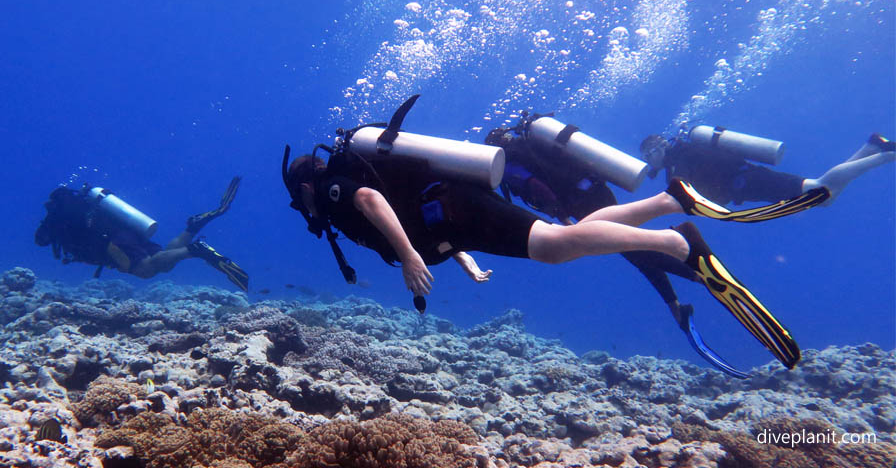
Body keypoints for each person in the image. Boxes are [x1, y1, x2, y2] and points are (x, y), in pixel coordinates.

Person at [283, 96, 800, 369]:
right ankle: (670, 201)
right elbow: (411, 214)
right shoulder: (342, 181)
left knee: (555, 247)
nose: (301, 206)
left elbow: (375, 202)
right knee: (559, 239)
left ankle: (675, 239)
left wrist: (411, 258)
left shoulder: (332, 186)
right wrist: (458, 257)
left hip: (460, 211)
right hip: (456, 219)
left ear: (306, 183)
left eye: (296, 195)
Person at [485, 118, 747, 377]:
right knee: (633, 250)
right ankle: (680, 300)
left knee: (633, 249)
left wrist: (563, 219)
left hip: (580, 203)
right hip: (594, 191)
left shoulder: (510, 161)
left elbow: (536, 187)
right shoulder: (530, 147)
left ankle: (697, 275)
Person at [34, 178, 248, 291]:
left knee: (145, 270)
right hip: (127, 232)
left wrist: (49, 220)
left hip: (112, 243)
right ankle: (191, 228)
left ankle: (196, 249)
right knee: (161, 261)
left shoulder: (57, 215)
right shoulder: (86, 205)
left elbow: (40, 240)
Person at [641, 130, 895, 222]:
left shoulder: (679, 160)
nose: (648, 163)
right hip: (748, 180)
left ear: (657, 149)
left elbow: (685, 193)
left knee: (821, 190)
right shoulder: (684, 151)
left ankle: (886, 154)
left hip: (749, 181)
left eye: (647, 156)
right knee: (825, 197)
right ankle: (872, 148)